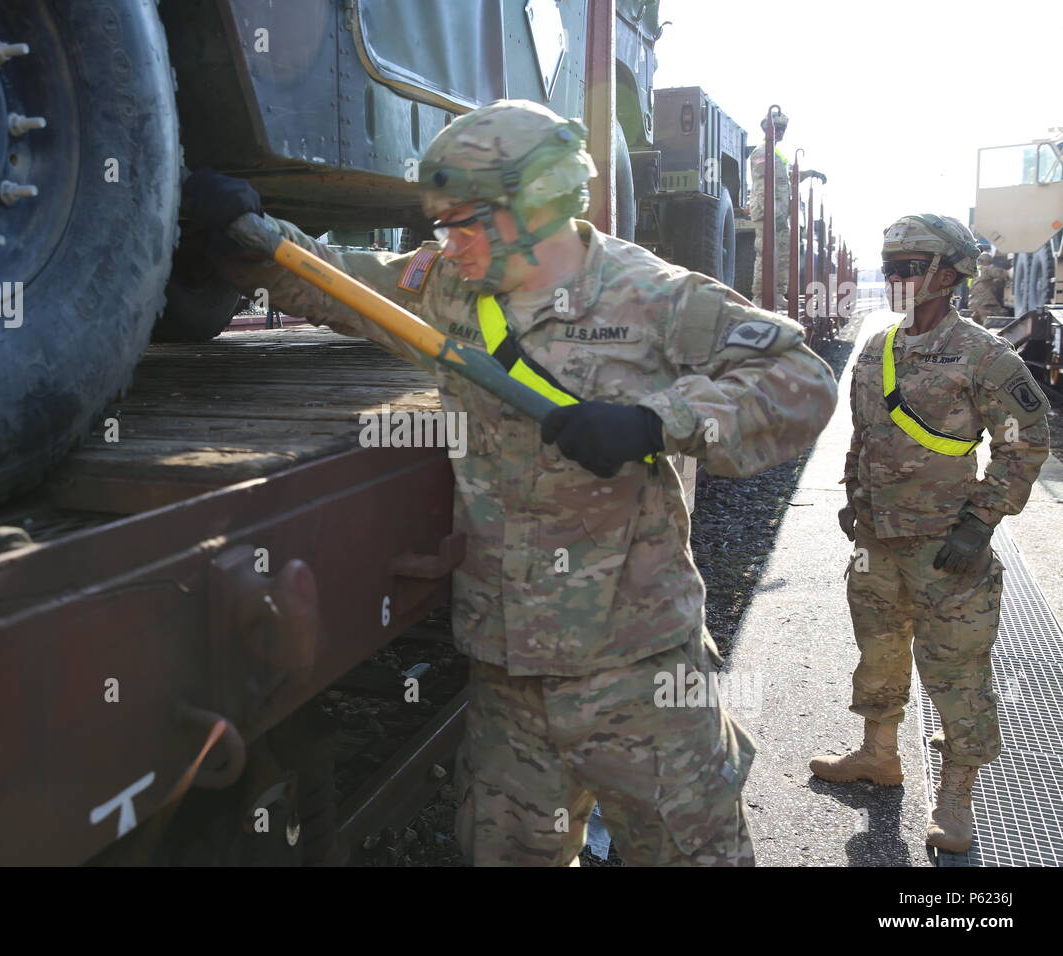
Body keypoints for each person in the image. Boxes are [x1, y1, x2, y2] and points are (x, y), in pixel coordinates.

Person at [184, 99, 838, 866]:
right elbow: (339, 286)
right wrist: (247, 237)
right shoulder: (450, 289)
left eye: (463, 221)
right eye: (441, 224)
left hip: (639, 677)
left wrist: (658, 422)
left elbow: (801, 380)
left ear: (540, 204)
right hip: (506, 679)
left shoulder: (653, 295)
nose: (446, 242)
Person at [815, 214, 1049, 852]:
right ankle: (878, 754)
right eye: (889, 268)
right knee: (880, 650)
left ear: (948, 274)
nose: (894, 279)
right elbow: (863, 436)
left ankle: (956, 795)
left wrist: (979, 524)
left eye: (909, 268)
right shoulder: (878, 348)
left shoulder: (984, 354)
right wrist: (855, 504)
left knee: (955, 670)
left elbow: (1024, 443)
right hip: (878, 543)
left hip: (947, 546)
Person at [748, 112, 824, 310]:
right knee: (765, 253)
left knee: (781, 256)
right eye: (777, 128)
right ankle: (759, 296)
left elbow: (789, 176)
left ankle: (778, 294)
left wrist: (811, 173)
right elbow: (763, 183)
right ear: (766, 129)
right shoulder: (761, 152)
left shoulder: (777, 154)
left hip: (780, 215)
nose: (780, 132)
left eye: (783, 129)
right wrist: (769, 212)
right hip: (768, 213)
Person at [969, 251, 1011, 326]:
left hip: (973, 305)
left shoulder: (975, 272)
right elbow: (1002, 273)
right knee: (1005, 313)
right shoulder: (986, 269)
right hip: (985, 305)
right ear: (987, 262)